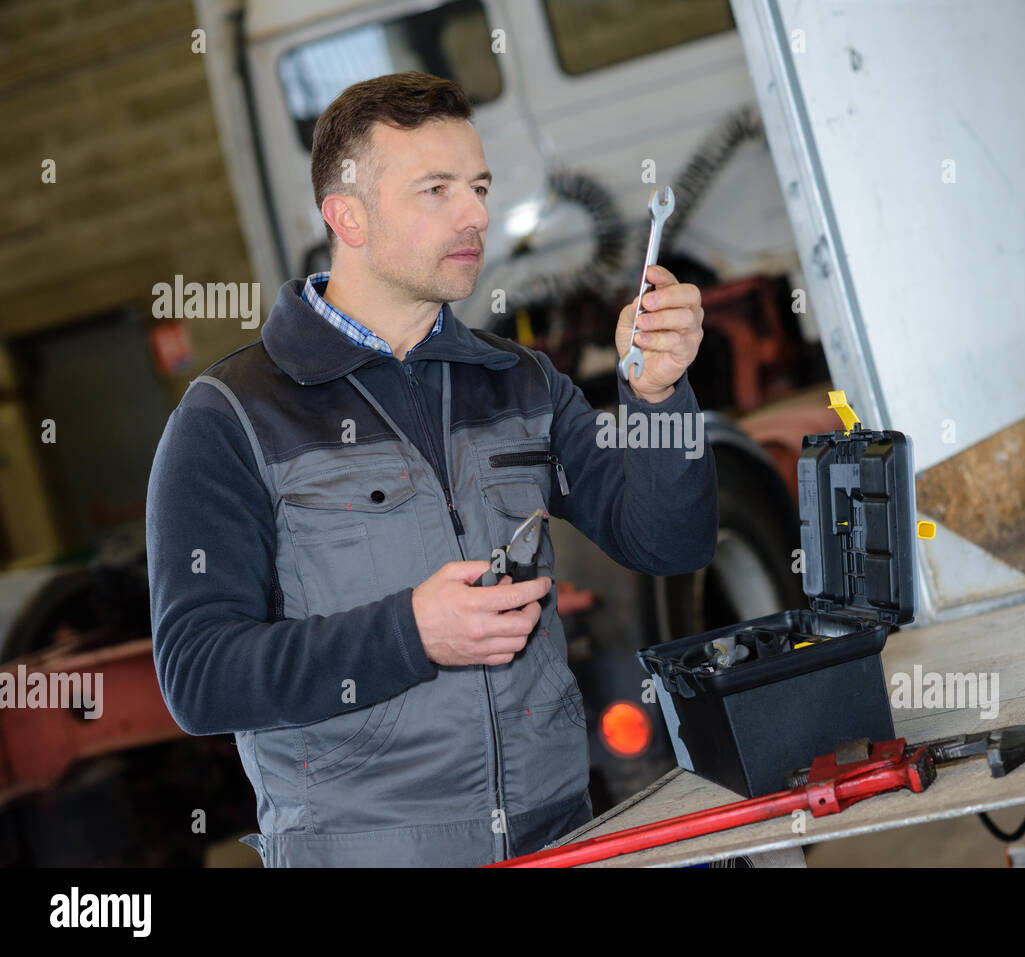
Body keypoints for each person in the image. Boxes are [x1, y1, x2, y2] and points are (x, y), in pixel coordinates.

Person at [145, 72, 717, 866]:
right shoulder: (231, 418)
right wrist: (410, 633)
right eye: (436, 189)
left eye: (478, 187)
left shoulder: (518, 382)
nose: (476, 214)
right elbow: (198, 676)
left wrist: (656, 398)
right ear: (347, 215)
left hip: (562, 836)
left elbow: (669, 542)